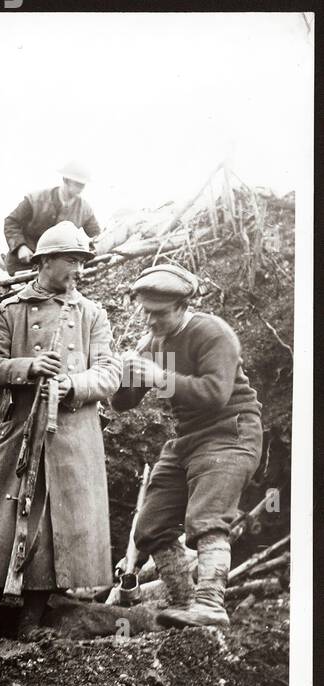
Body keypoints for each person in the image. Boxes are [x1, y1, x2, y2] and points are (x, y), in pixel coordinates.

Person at [0, 221, 121, 645]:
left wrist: (72, 385)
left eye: (82, 262)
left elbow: (110, 373)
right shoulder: (8, 311)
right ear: (45, 261)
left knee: (53, 526)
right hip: (17, 433)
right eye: (71, 260)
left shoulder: (92, 315)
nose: (79, 270)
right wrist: (27, 367)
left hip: (70, 436)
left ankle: (31, 621)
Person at [109, 263, 263, 627]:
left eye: (159, 313)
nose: (150, 320)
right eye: (146, 311)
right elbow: (123, 403)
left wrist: (159, 376)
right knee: (150, 526)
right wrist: (122, 372)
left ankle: (210, 604)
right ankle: (185, 602)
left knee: (207, 517)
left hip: (231, 432)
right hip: (188, 441)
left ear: (182, 307)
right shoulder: (153, 344)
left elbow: (215, 393)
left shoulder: (211, 333)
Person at [3, 162, 101, 276]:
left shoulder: (84, 209)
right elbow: (11, 222)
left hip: (56, 269)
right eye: (78, 184)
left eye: (83, 185)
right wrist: (20, 247)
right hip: (24, 264)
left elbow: (96, 234)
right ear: (66, 180)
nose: (81, 188)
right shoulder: (36, 199)